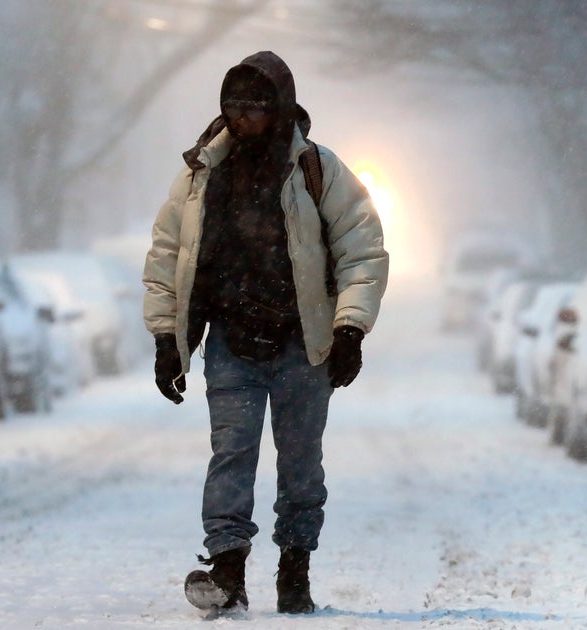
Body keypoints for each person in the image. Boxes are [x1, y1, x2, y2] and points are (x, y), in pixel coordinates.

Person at [142, 50, 388, 615]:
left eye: (255, 106)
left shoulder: (316, 169)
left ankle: (295, 567)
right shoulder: (203, 172)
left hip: (304, 343)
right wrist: (166, 338)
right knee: (231, 453)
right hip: (231, 341)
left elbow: (362, 249)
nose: (242, 117)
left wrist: (350, 329)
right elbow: (167, 255)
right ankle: (227, 568)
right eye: (233, 106)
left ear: (280, 107)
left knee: (300, 460)